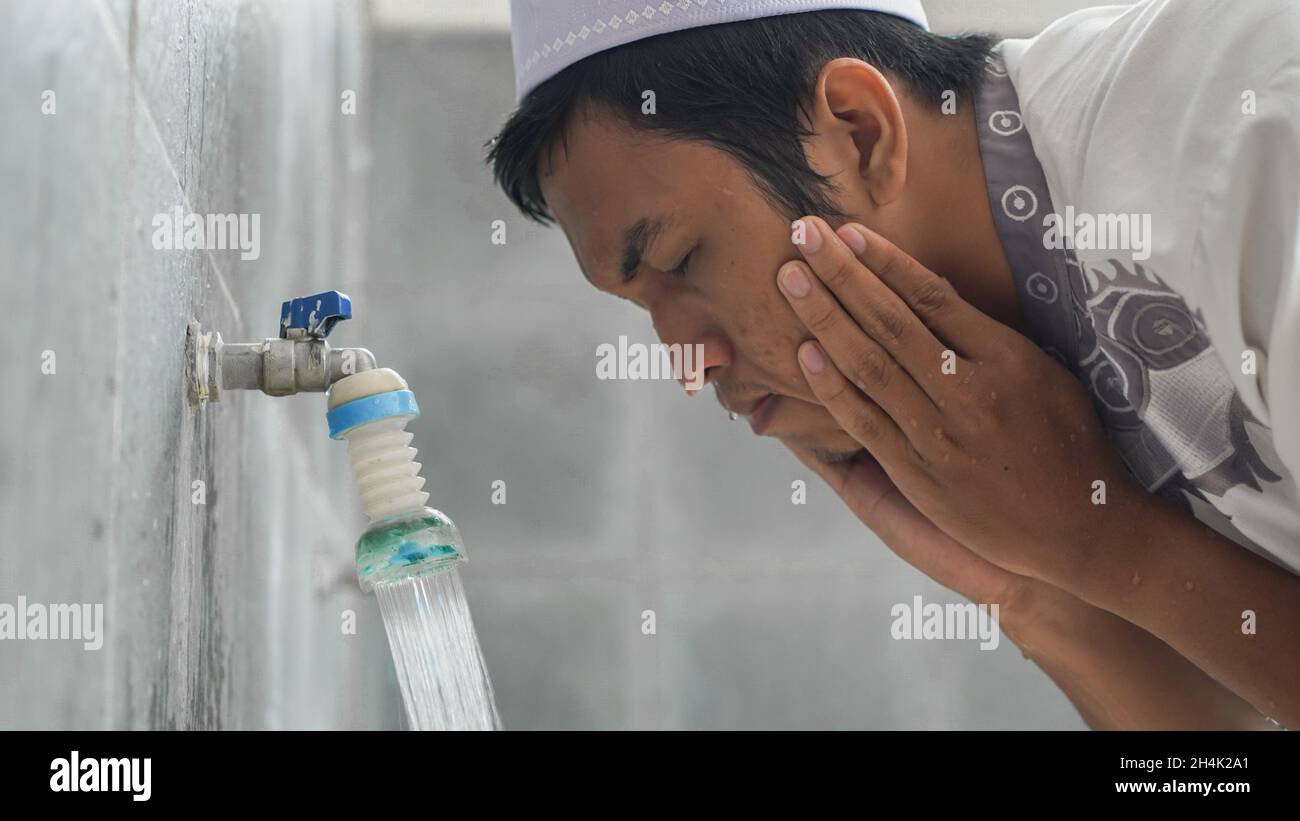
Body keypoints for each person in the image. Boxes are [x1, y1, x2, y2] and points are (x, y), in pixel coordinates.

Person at [488, 0, 1300, 729]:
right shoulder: (1032, 419)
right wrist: (1039, 592)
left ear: (859, 131)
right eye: (645, 312)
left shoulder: (1255, 144)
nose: (691, 365)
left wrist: (1111, 544)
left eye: (681, 257)